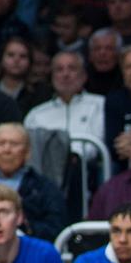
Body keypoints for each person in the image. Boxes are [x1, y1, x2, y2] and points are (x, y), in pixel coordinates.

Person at [0, 122, 65, 243]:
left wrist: (24, 226)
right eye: (1, 143)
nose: (7, 150)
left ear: (27, 152)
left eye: (14, 144)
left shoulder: (44, 188)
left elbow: (56, 228)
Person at [24, 48, 107, 193]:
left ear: (84, 75)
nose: (65, 74)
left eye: (72, 68)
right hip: (46, 181)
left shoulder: (101, 105)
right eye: (59, 69)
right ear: (52, 76)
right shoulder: (36, 114)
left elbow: (95, 148)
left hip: (87, 177)